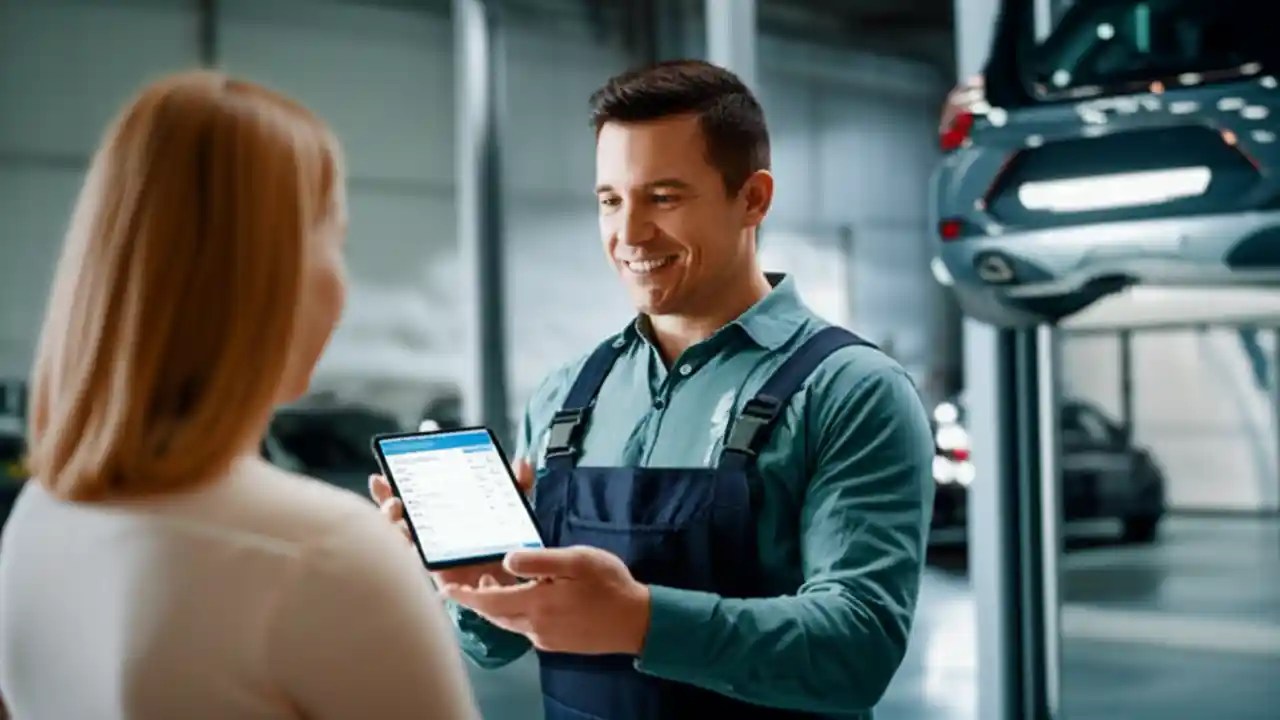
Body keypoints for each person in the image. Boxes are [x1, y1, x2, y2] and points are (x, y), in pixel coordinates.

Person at [370, 59, 936, 719]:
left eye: (663, 197)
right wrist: (475, 588)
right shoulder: (563, 396)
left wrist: (642, 621)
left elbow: (857, 649)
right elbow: (499, 644)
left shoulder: (852, 391)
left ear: (752, 198)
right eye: (610, 199)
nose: (628, 234)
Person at [0, 70, 480, 720]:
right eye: (334, 239)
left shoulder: (41, 512)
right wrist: (368, 580)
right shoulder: (325, 556)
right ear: (265, 270)